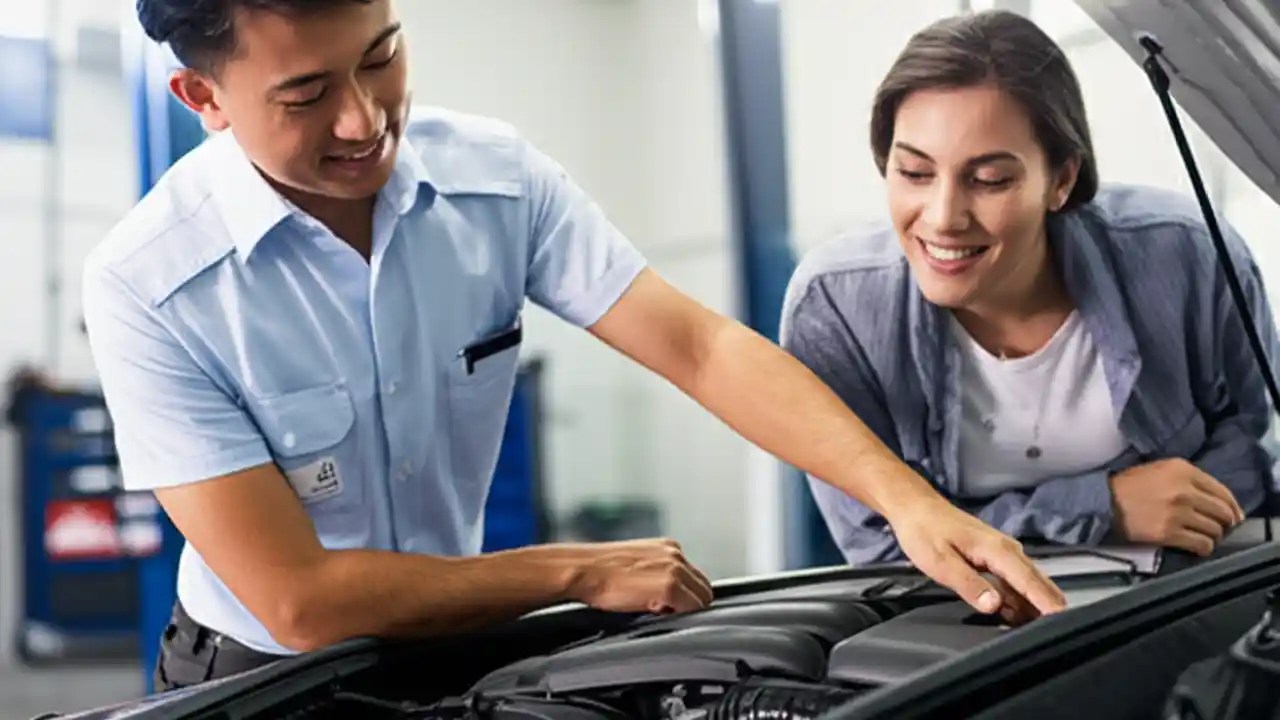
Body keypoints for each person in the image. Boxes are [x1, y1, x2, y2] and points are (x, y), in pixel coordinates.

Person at [85, 0, 1065, 690]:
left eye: (381, 54)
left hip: (452, 647)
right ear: (200, 97)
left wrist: (908, 502)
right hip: (262, 674)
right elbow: (298, 600)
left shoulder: (495, 182)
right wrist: (576, 571)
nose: (365, 117)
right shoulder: (152, 284)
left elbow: (697, 347)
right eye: (305, 96)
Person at [781, 9, 1277, 568]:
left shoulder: (1186, 254)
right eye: (915, 173)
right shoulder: (835, 308)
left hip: (1175, 604)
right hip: (961, 625)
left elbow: (1251, 456)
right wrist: (1101, 508)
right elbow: (880, 544)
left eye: (989, 180)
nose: (943, 217)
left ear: (1062, 180)